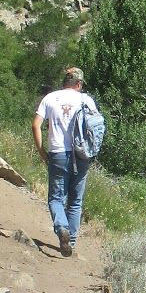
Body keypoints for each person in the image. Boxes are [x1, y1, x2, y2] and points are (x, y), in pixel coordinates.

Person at [32, 67, 99, 257]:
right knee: (75, 201)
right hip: (81, 154)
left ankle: (62, 228)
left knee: (55, 199)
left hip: (58, 153)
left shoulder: (50, 98)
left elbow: (35, 124)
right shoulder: (86, 100)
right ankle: (71, 242)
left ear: (65, 82)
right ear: (79, 84)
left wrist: (41, 151)